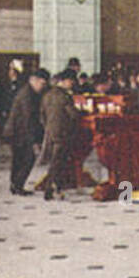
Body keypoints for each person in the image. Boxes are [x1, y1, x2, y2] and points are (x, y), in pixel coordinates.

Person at [6, 70, 48, 195]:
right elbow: (28, 118)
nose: (42, 86)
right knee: (27, 159)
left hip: (18, 131)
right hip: (21, 132)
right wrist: (34, 140)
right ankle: (18, 185)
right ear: (33, 80)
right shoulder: (27, 95)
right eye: (41, 83)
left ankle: (15, 185)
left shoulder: (29, 92)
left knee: (18, 159)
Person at [39, 71, 79, 201]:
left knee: (55, 160)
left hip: (50, 131)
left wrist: (48, 126)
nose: (72, 84)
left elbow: (42, 115)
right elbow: (73, 114)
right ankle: (50, 188)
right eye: (71, 81)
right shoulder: (64, 96)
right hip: (63, 132)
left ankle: (56, 187)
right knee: (58, 161)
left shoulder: (47, 95)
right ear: (64, 81)